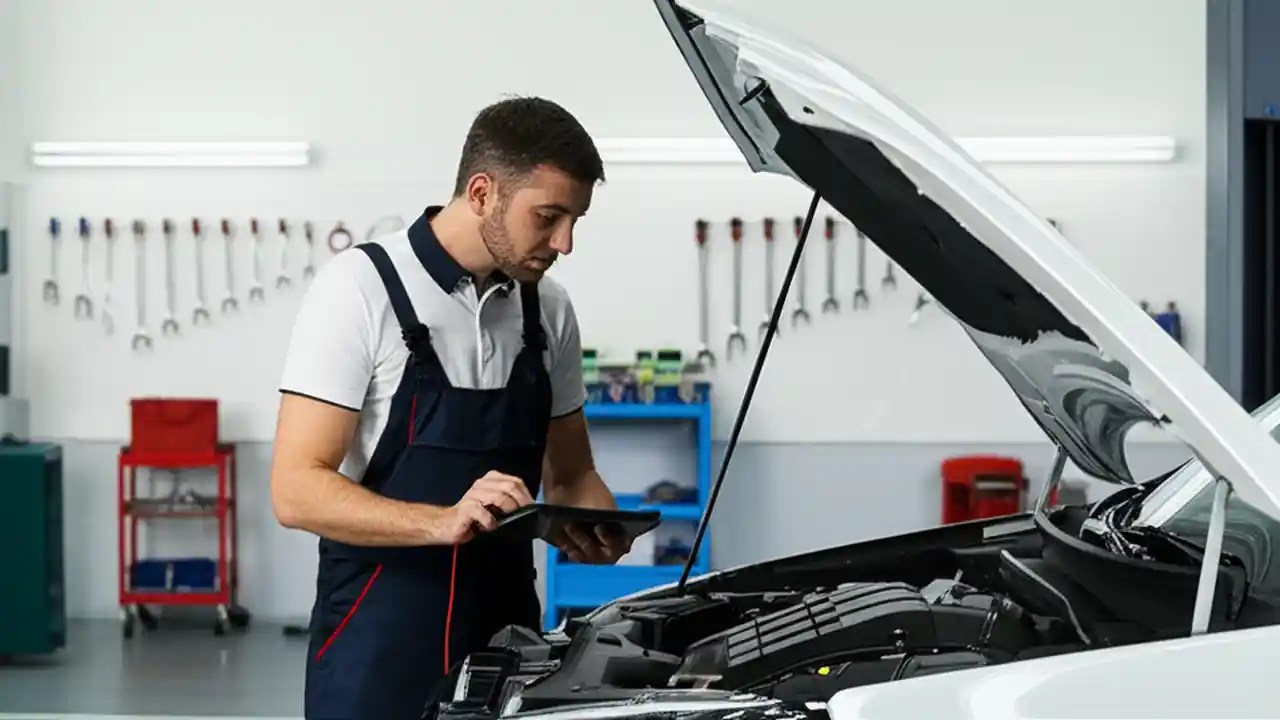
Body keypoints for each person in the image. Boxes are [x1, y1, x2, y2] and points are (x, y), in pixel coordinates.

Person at [269, 96, 629, 720]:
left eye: (575, 220)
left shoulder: (549, 311)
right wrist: (441, 522)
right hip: (374, 649)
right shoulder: (359, 291)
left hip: (508, 652)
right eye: (548, 216)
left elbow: (572, 473)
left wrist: (597, 526)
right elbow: (295, 490)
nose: (564, 242)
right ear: (483, 192)